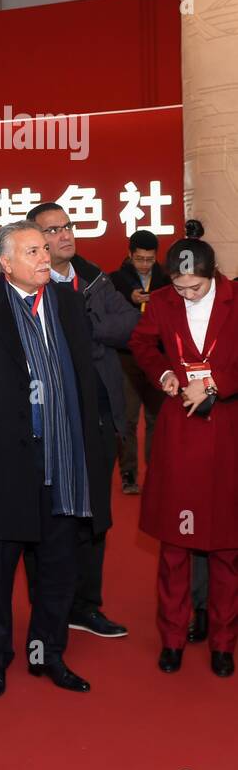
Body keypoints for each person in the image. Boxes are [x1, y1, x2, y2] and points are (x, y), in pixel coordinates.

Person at [0, 222, 108, 699]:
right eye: (33, 251)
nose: (45, 257)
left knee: (58, 568)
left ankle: (49, 653)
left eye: (45, 249)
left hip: (65, 460)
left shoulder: (67, 303)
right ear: (5, 264)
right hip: (6, 464)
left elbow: (86, 376)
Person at [27, 202, 138, 638]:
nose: (64, 235)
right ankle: (49, 605)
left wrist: (85, 327)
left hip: (98, 415)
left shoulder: (92, 276)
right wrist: (91, 326)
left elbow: (128, 324)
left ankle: (86, 605)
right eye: (52, 231)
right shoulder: (26, 286)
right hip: (52, 418)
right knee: (50, 516)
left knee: (96, 515)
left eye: (67, 226)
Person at [130, 238, 237, 678]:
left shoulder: (235, 300)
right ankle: (172, 637)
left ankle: (223, 641)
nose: (186, 294)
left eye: (195, 287)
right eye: (180, 286)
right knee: (175, 545)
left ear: (212, 276)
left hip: (227, 433)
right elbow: (142, 345)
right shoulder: (160, 302)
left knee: (227, 548)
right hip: (179, 434)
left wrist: (213, 385)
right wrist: (166, 373)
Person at [110, 230, 170, 494]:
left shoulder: (166, 279)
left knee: (158, 418)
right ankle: (128, 474)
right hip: (127, 358)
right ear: (129, 255)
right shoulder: (116, 280)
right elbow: (109, 317)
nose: (145, 264)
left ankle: (157, 472)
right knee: (128, 419)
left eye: (149, 259)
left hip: (158, 357)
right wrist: (128, 300)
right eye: (139, 259)